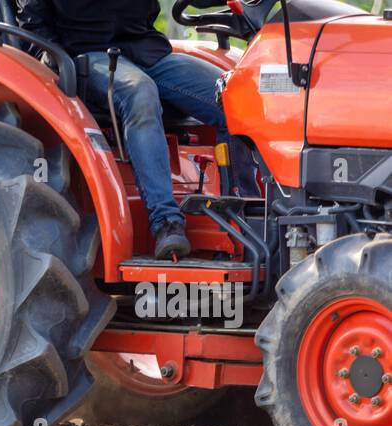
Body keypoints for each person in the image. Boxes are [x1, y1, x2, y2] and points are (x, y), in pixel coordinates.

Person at [16, 0, 254, 260]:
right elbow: (33, 19)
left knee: (234, 96)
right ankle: (166, 222)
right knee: (140, 94)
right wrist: (56, 60)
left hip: (146, 50)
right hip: (86, 54)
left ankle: (247, 216)